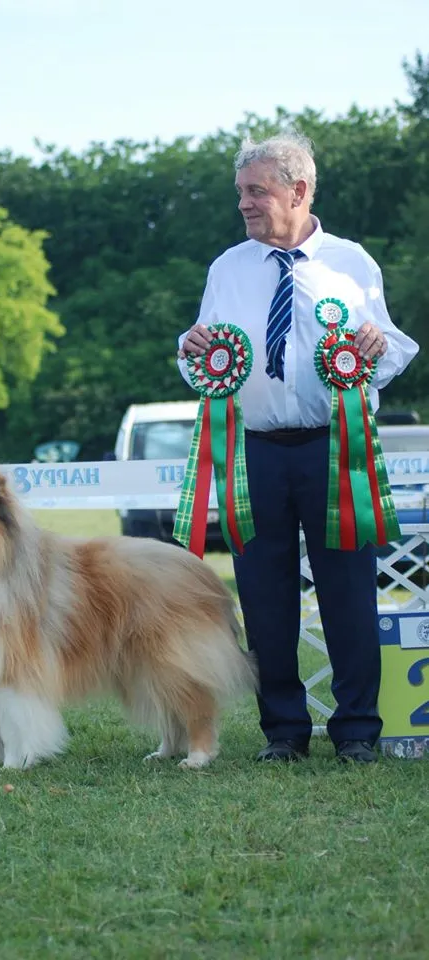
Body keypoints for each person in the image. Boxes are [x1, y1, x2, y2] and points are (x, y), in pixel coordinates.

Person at [177, 133, 419, 763]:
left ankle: (358, 730)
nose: (245, 205)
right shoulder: (227, 268)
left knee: (349, 594)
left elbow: (393, 345)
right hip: (254, 453)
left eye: (256, 192)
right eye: (241, 194)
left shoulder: (352, 263)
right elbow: (201, 352)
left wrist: (374, 349)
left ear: (299, 190)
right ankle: (283, 731)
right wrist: (191, 349)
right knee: (263, 596)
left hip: (337, 453)